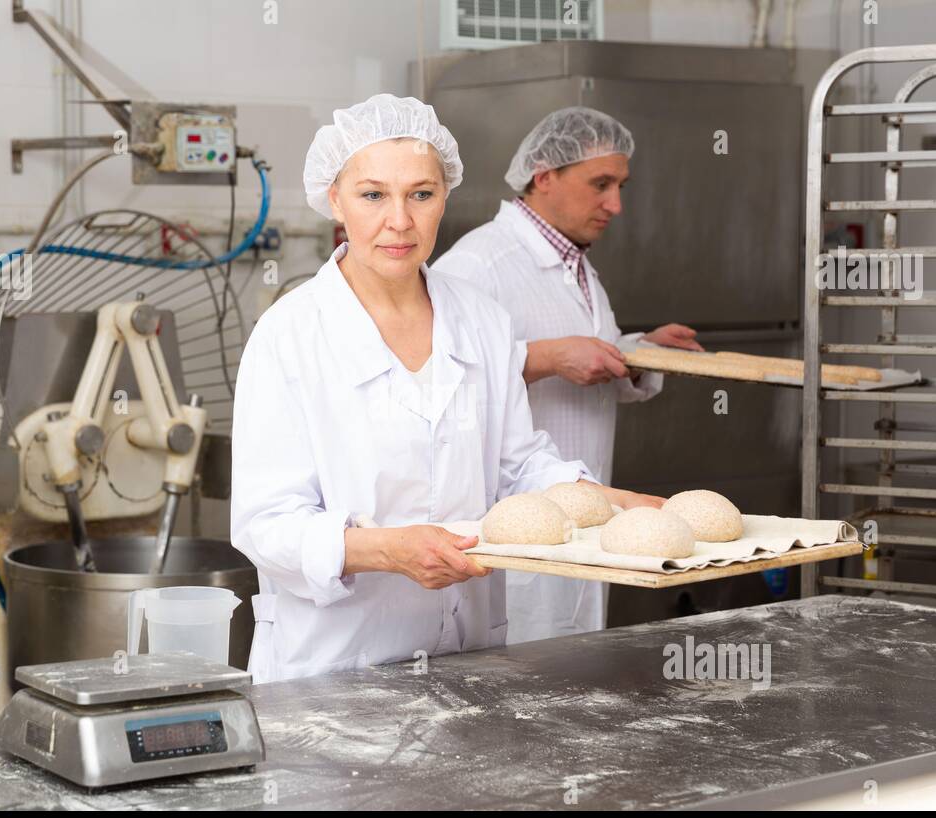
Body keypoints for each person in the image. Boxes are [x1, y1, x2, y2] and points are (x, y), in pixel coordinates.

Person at [230, 95, 663, 683]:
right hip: (335, 669)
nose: (400, 221)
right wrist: (389, 550)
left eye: (421, 194)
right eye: (373, 194)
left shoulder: (481, 319)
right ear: (335, 199)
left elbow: (519, 467)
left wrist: (615, 502)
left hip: (469, 660)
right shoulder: (290, 333)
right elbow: (266, 524)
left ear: (445, 196)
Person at [432, 107, 703, 644]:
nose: (616, 205)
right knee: (525, 691)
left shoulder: (577, 265)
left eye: (621, 185)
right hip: (521, 531)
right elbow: (438, 382)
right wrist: (548, 358)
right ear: (545, 176)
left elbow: (577, 353)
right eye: (600, 184)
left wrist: (636, 350)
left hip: (587, 517)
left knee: (575, 678)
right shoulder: (477, 265)